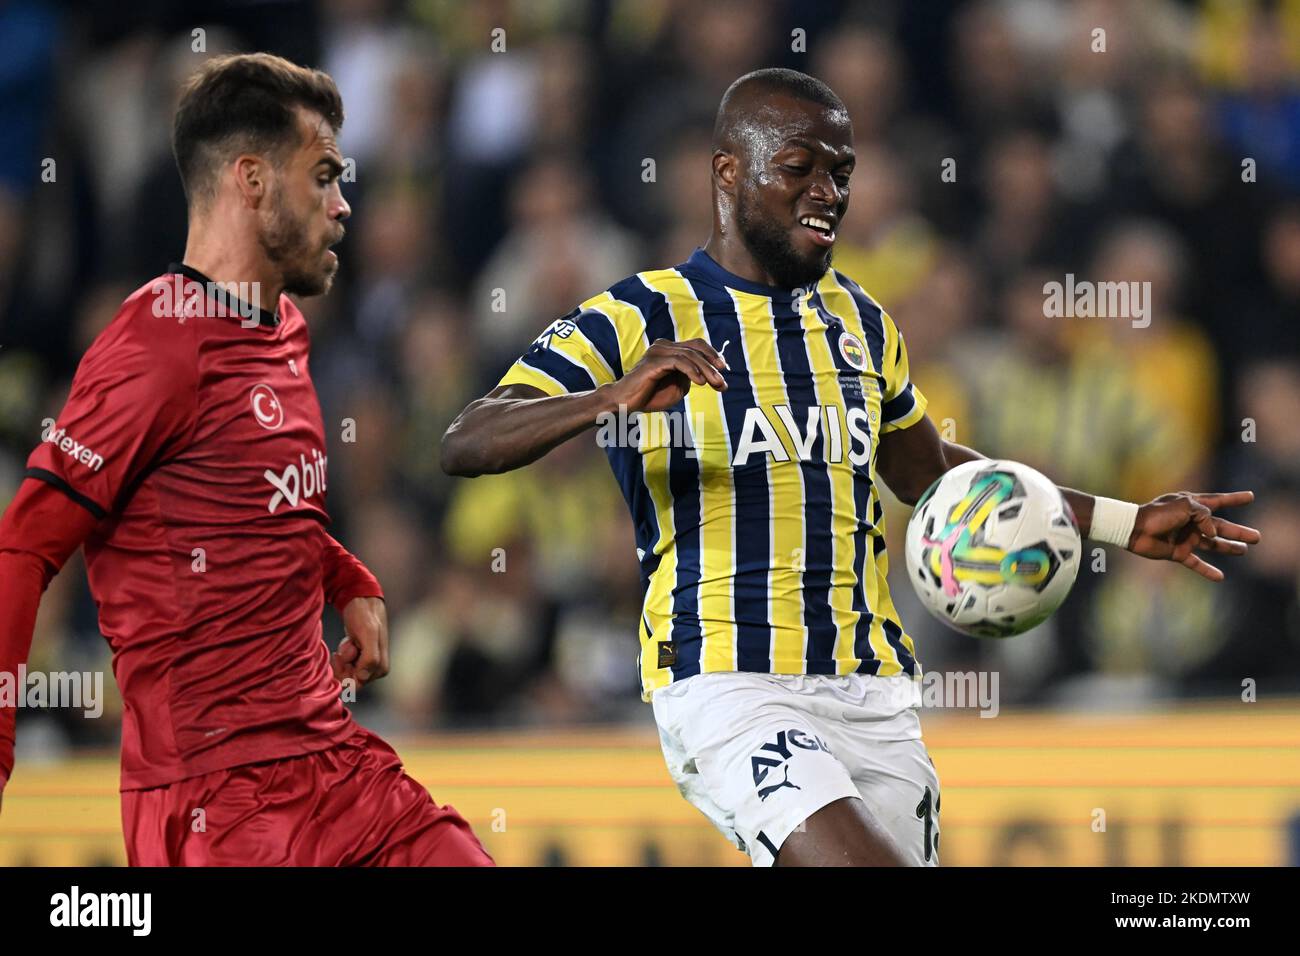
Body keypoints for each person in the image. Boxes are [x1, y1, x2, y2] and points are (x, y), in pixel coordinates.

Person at [441, 68, 1260, 867]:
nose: (828, 192)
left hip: (872, 693)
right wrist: (610, 400)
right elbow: (469, 439)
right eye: (799, 168)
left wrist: (1120, 522)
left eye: (842, 173)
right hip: (727, 680)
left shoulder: (860, 322)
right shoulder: (639, 313)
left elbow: (927, 470)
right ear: (728, 172)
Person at [0, 53, 492, 867]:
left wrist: (344, 576)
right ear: (252, 180)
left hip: (335, 762)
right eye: (325, 177)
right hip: (214, 800)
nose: (343, 207)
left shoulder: (285, 330)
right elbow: (25, 544)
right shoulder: (153, 349)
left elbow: (243, 504)